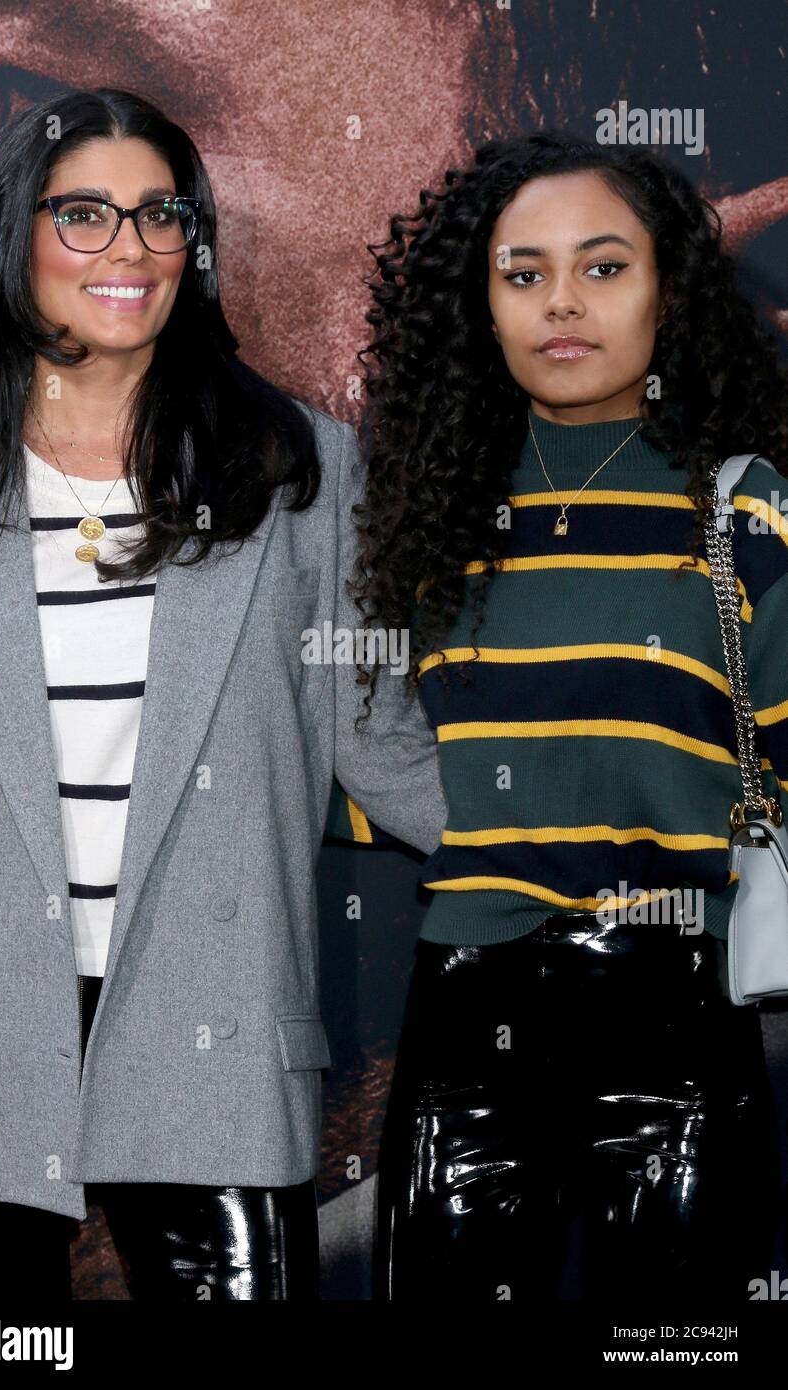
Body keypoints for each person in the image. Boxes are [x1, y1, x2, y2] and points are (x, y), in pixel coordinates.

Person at [0, 86, 446, 1301]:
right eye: (86, 215)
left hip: (211, 1034)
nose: (132, 249)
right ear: (14, 232)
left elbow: (377, 740)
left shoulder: (297, 468)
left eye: (161, 214)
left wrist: (599, 848)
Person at [340, 130, 788, 1301]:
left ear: (667, 289)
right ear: (478, 304)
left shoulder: (740, 504)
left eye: (602, 266)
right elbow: (363, 740)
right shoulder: (422, 516)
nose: (561, 304)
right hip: (462, 1016)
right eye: (521, 272)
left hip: (677, 1019)